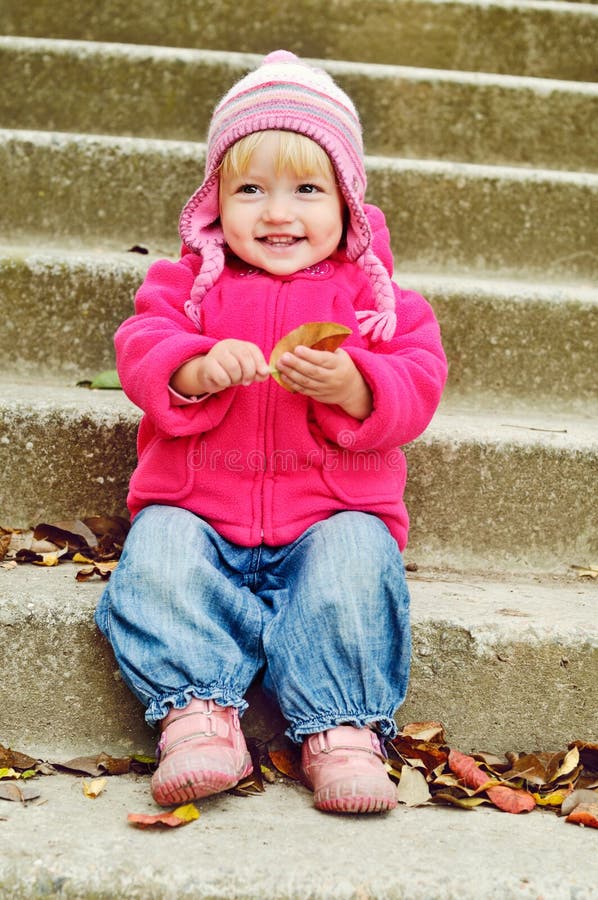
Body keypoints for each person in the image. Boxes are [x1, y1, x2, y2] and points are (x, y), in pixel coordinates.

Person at [95, 50, 447, 815]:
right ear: (214, 201)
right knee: (157, 552)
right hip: (201, 514)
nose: (278, 212)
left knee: (357, 562)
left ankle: (343, 727)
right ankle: (195, 713)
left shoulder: (378, 302)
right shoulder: (186, 285)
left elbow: (420, 382)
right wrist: (193, 367)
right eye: (250, 189)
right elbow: (141, 348)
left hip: (327, 517)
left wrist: (359, 384)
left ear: (347, 202)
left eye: (307, 190)